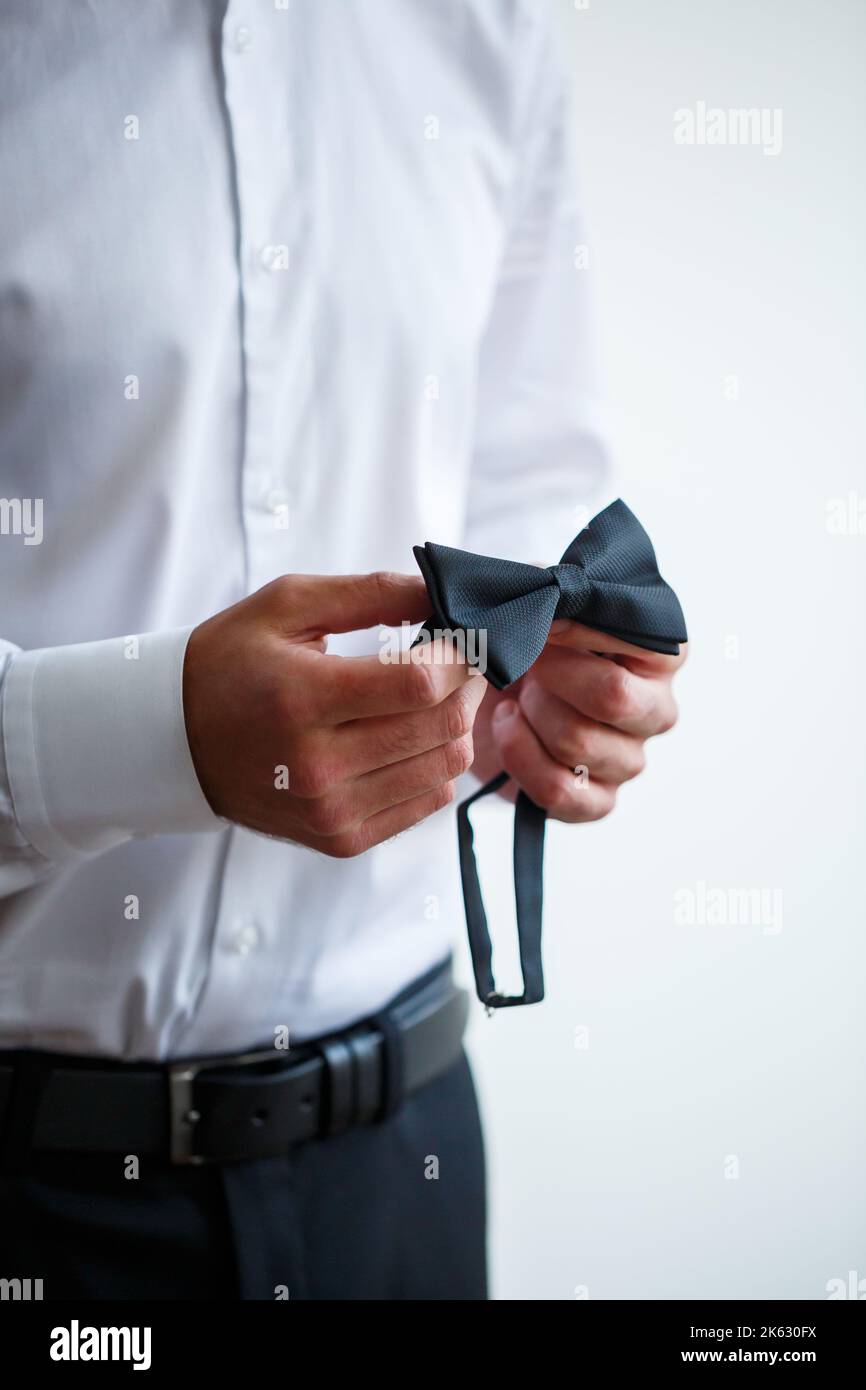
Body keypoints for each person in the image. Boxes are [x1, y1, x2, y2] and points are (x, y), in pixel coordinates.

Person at [0, 0, 684, 1300]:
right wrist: (160, 738)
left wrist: (567, 696)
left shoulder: (485, 34)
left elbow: (534, 495)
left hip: (401, 1171)